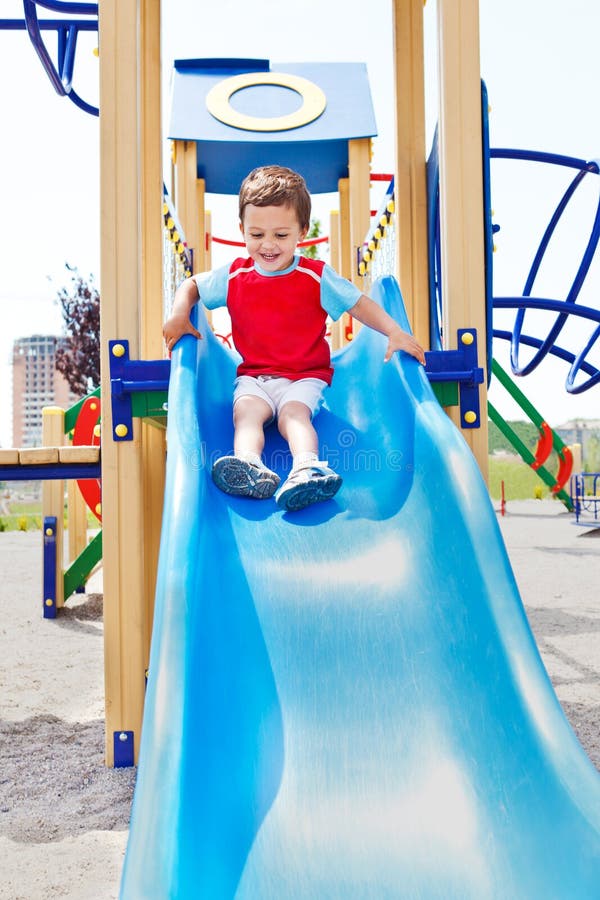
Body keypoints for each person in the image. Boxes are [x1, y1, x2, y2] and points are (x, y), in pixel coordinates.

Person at [163, 165, 426, 512]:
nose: (268, 245)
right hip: (254, 376)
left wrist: (394, 332)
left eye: (281, 235)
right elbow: (193, 284)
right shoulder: (236, 275)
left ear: (302, 231)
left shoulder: (314, 276)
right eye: (256, 235)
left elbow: (357, 304)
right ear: (242, 229)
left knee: (293, 417)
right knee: (246, 414)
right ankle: (248, 465)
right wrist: (180, 312)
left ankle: (307, 468)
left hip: (304, 375)